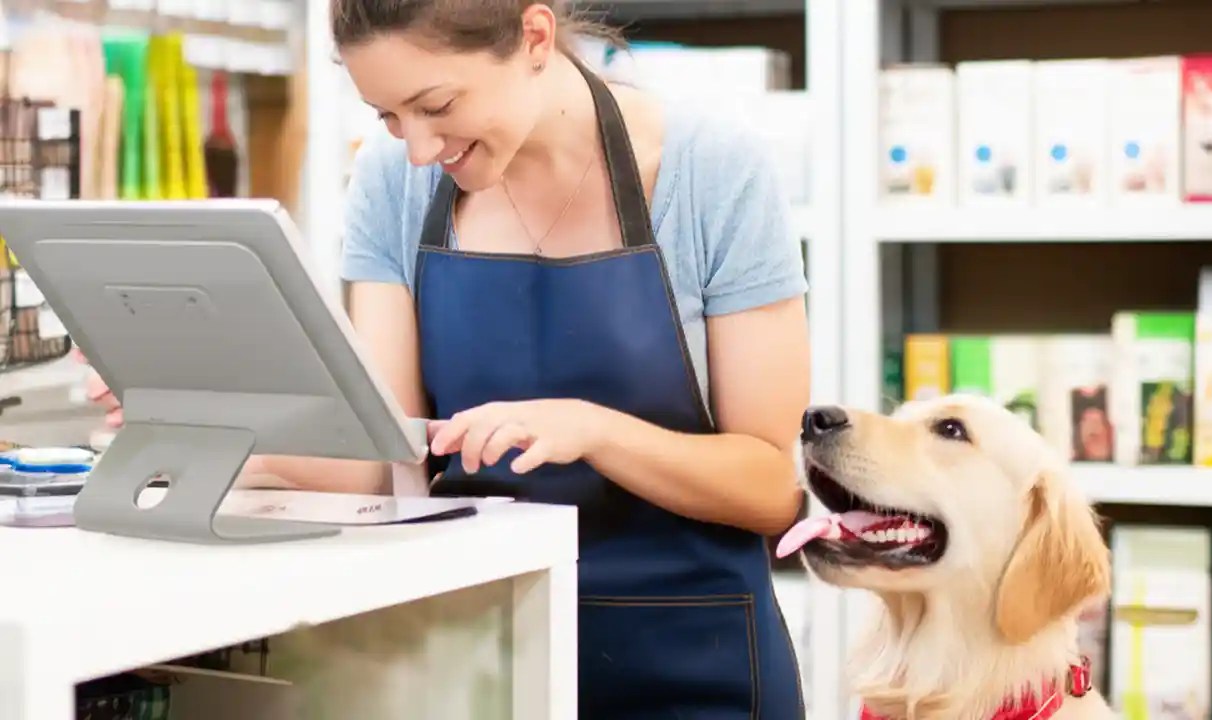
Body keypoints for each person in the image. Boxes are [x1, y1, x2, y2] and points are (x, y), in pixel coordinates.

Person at [85, 0, 812, 715]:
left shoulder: (710, 172)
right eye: (389, 117)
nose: (420, 149)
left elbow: (771, 485)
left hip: (690, 661)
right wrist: (213, 410)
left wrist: (596, 431)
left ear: (533, 36)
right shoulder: (394, 182)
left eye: (437, 105)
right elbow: (370, 457)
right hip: (481, 660)